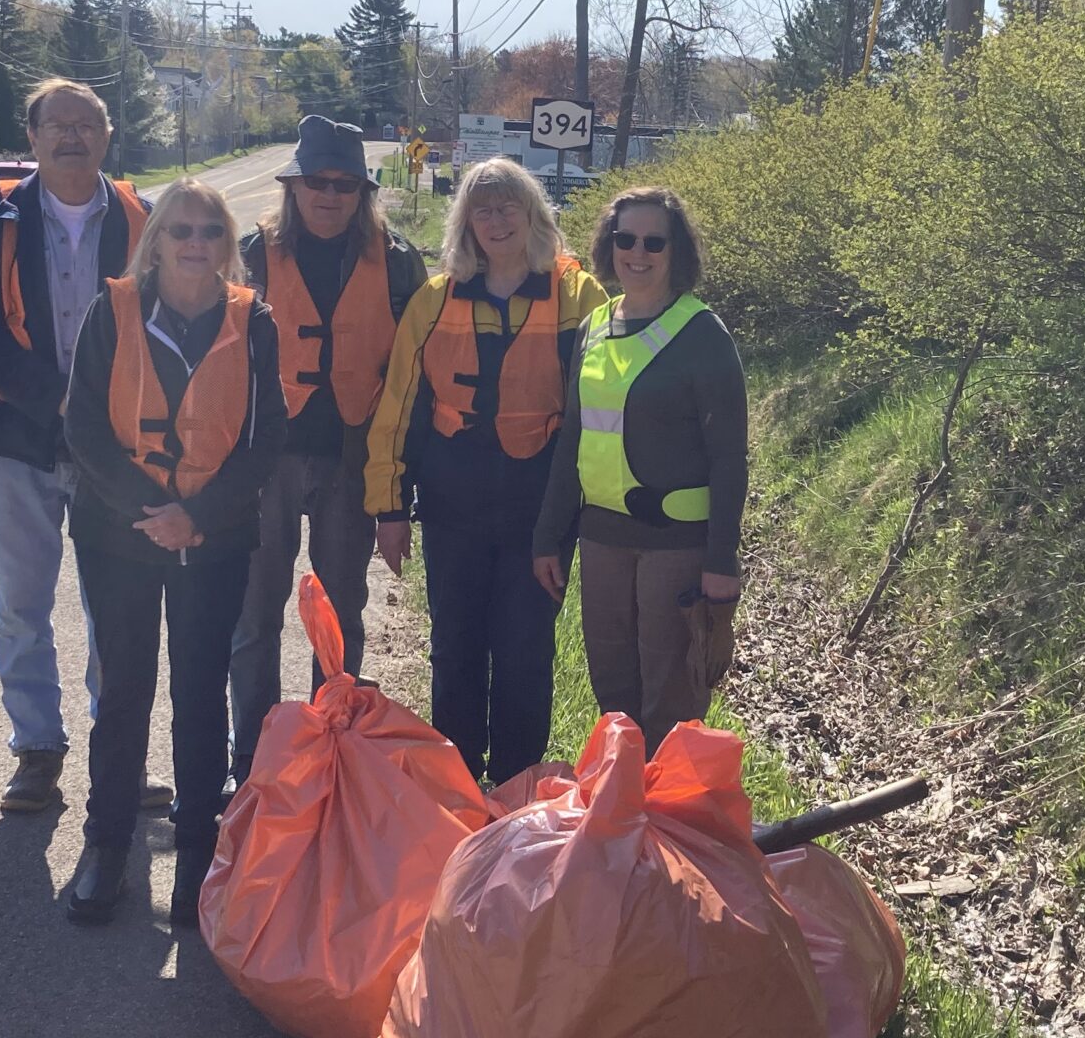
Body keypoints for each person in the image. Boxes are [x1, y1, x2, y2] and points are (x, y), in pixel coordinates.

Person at [59, 178, 287, 924]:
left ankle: (197, 852)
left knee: (198, 692)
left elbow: (264, 442)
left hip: (213, 539)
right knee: (123, 688)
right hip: (119, 532)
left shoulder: (255, 323)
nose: (195, 244)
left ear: (228, 246)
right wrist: (149, 511)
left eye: (209, 232)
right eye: (181, 230)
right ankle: (107, 845)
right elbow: (84, 426)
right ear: (155, 240)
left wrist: (197, 518)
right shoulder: (113, 309)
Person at [366, 158, 605, 784]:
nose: (496, 220)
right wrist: (390, 508)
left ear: (532, 215)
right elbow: (399, 410)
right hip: (453, 503)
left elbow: (600, 414)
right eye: (483, 208)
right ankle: (460, 786)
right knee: (455, 647)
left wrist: (587, 513)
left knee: (526, 649)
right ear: (465, 221)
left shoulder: (579, 296)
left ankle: (520, 790)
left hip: (540, 504)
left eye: (509, 207)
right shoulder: (434, 299)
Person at [0, 78, 148, 816]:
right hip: (19, 440)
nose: (71, 136)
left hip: (119, 447)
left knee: (117, 605)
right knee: (22, 603)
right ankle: (37, 751)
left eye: (86, 123)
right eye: (55, 125)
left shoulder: (141, 219)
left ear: (107, 135)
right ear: (30, 139)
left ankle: (116, 750)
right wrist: (58, 400)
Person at [228, 115, 425, 784]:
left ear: (363, 192)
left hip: (352, 459)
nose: (332, 195)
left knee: (341, 613)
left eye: (346, 184)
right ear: (294, 186)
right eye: (319, 181)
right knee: (254, 613)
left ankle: (330, 747)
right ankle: (251, 755)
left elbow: (413, 380)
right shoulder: (252, 254)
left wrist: (399, 490)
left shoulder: (398, 262)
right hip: (265, 462)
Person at [533, 186, 747, 752]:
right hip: (601, 540)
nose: (639, 252)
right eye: (626, 239)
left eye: (656, 241)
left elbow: (729, 458)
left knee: (670, 698)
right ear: (610, 244)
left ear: (677, 251)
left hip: (676, 547)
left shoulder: (703, 335)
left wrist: (722, 564)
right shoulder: (594, 328)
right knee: (614, 694)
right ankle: (623, 819)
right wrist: (548, 537)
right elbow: (573, 439)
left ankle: (673, 828)